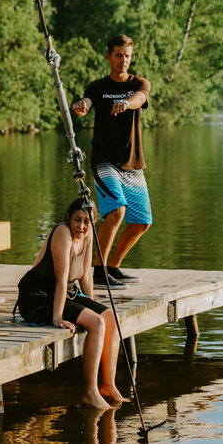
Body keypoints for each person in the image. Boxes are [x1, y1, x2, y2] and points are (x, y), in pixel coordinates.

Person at [16, 197, 125, 410]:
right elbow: (61, 277)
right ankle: (89, 392)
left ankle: (108, 384)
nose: (82, 226)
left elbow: (86, 276)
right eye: (77, 220)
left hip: (67, 292)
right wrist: (57, 318)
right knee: (97, 324)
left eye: (87, 221)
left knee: (110, 317)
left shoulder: (88, 234)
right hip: (39, 296)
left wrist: (91, 307)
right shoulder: (62, 233)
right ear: (68, 218)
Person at [71, 35, 152, 289]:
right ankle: (98, 270)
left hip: (132, 163)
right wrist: (82, 105)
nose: (123, 61)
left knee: (141, 222)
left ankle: (112, 266)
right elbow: (89, 101)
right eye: (118, 55)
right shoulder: (97, 86)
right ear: (109, 56)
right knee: (117, 210)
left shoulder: (139, 83)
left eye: (127, 56)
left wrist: (127, 104)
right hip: (104, 161)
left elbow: (140, 98)